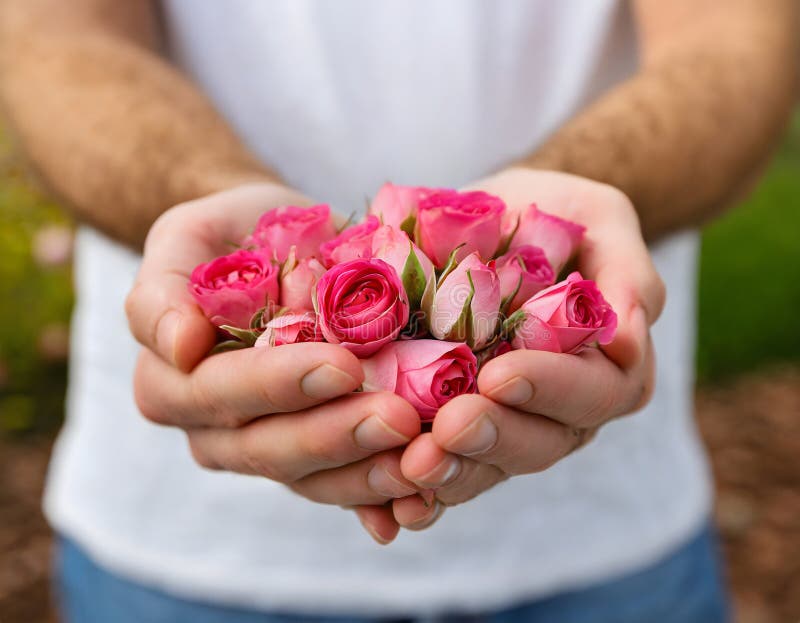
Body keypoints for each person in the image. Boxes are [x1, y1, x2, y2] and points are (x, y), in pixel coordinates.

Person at [0, 1, 796, 621]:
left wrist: (554, 231)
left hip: (611, 542)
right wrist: (206, 202)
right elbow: (50, 40)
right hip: (180, 552)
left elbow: (738, 41)